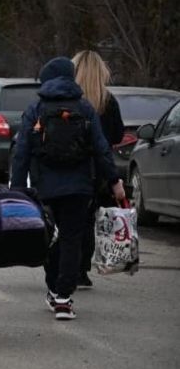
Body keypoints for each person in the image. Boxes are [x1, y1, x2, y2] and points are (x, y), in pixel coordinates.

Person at [10, 57, 124, 321]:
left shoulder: (36, 108)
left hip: (45, 188)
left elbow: (22, 152)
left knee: (50, 237)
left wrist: (17, 190)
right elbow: (101, 149)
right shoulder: (84, 108)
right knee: (72, 240)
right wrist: (115, 180)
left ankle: (53, 287)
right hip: (79, 187)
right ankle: (63, 297)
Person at [72, 50, 125, 288]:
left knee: (72, 219)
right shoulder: (107, 101)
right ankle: (82, 268)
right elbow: (118, 134)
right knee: (90, 220)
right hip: (100, 170)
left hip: (72, 166)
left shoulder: (70, 100)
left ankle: (68, 266)